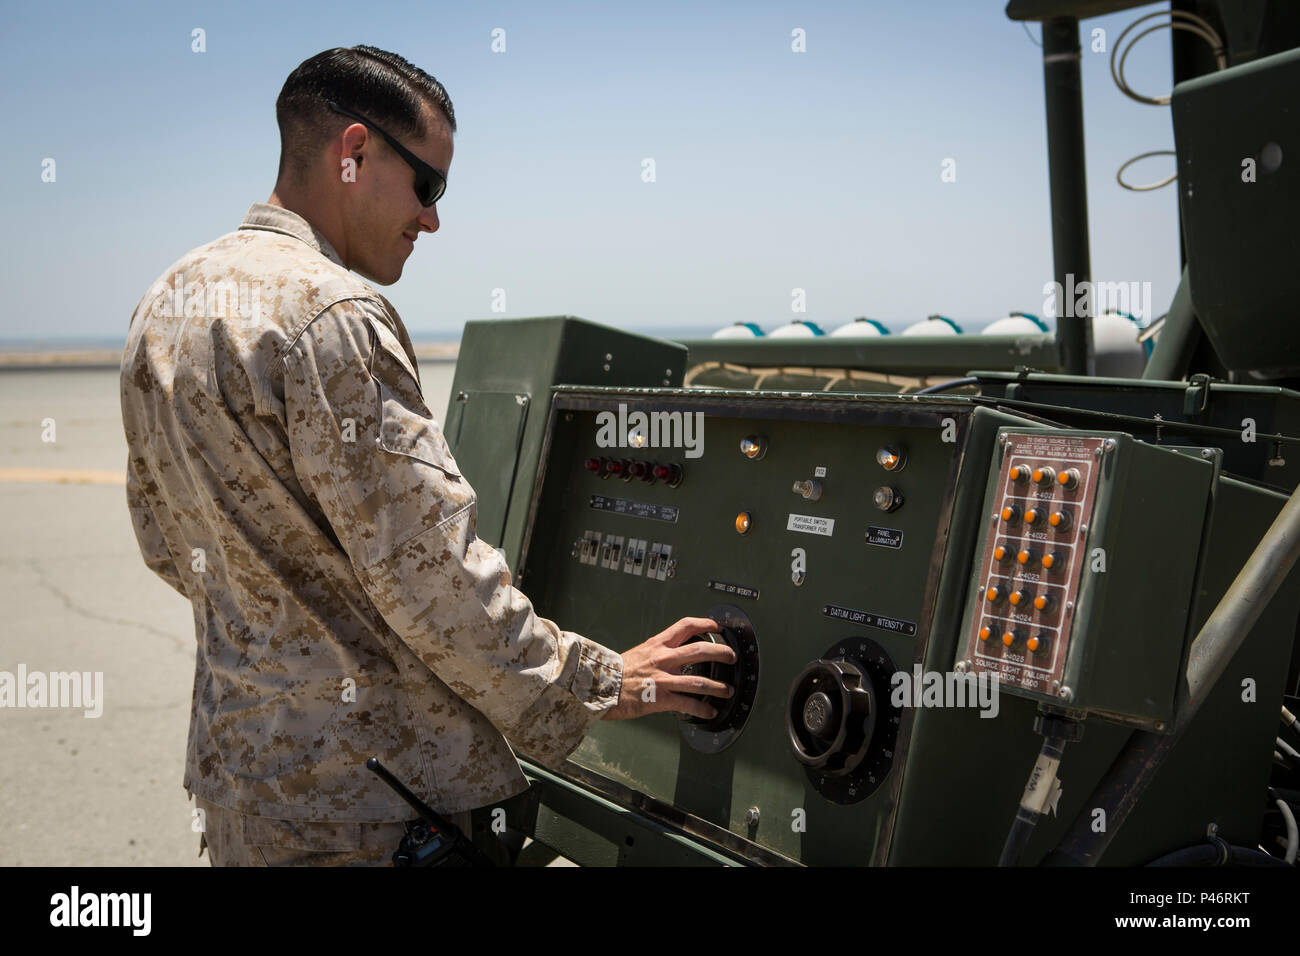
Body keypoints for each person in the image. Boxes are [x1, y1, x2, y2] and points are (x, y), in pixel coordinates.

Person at [119, 45, 735, 867]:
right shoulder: (333, 313)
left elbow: (167, 546)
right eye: (428, 186)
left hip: (245, 790)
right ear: (355, 153)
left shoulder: (167, 302)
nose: (433, 219)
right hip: (374, 813)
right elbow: (432, 582)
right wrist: (603, 680)